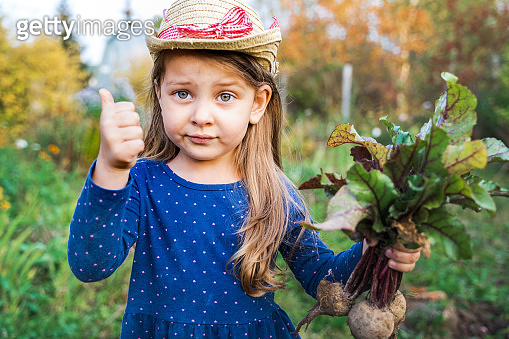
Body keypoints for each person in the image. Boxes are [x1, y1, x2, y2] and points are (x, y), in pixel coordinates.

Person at [68, 0, 421, 337]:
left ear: (258, 103)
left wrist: (376, 248)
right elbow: (90, 265)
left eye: (225, 96)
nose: (201, 116)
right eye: (182, 93)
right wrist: (110, 171)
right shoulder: (143, 182)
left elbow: (322, 279)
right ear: (159, 93)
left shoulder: (272, 191)